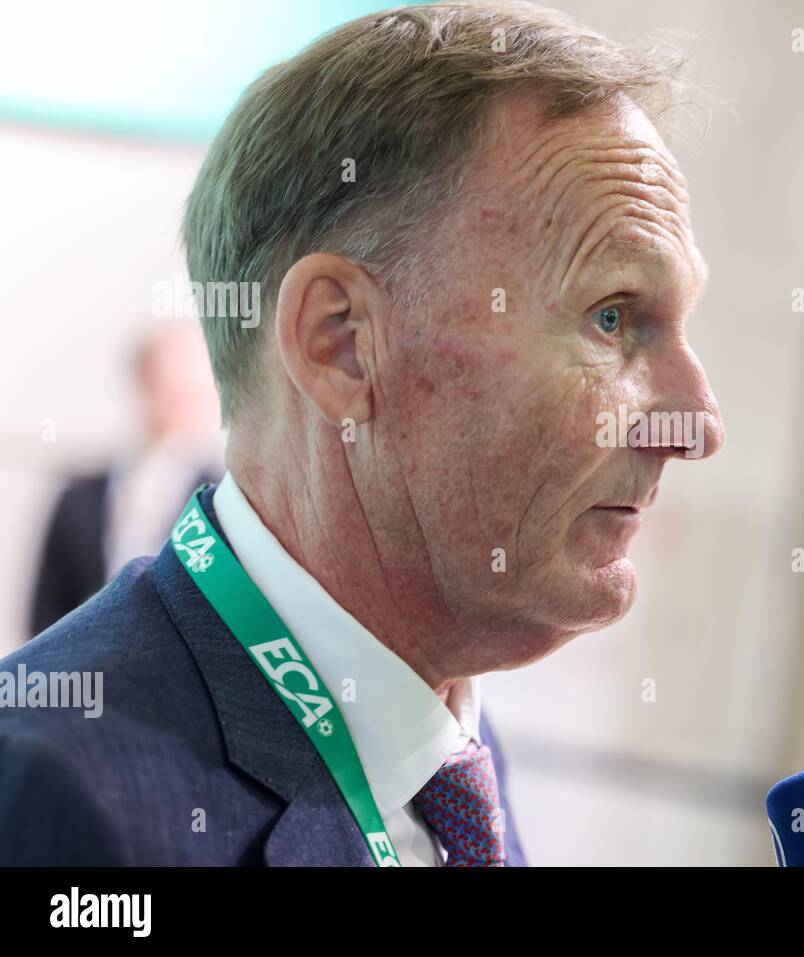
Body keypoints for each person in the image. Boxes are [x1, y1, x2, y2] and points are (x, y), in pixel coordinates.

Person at [0, 0, 723, 866]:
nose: (699, 422)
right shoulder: (59, 800)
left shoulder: (453, 767)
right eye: (611, 317)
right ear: (341, 343)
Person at [28, 323, 221, 638]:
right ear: (142, 384)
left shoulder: (224, 503)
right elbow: (43, 614)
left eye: (194, 390)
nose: (182, 402)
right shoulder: (78, 498)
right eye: (171, 388)